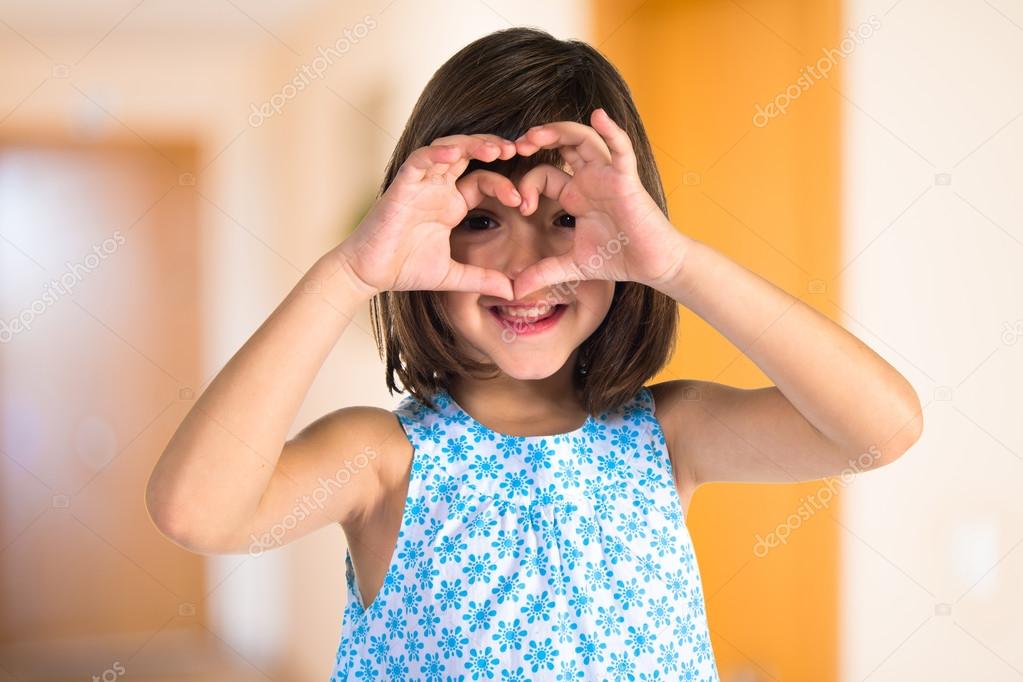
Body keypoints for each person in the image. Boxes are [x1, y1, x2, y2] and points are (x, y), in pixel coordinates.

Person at [145, 26, 923, 681]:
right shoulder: (381, 459)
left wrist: (674, 263)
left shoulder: (668, 435)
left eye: (566, 220)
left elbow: (879, 430)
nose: (525, 268)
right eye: (482, 221)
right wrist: (351, 274)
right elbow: (196, 512)